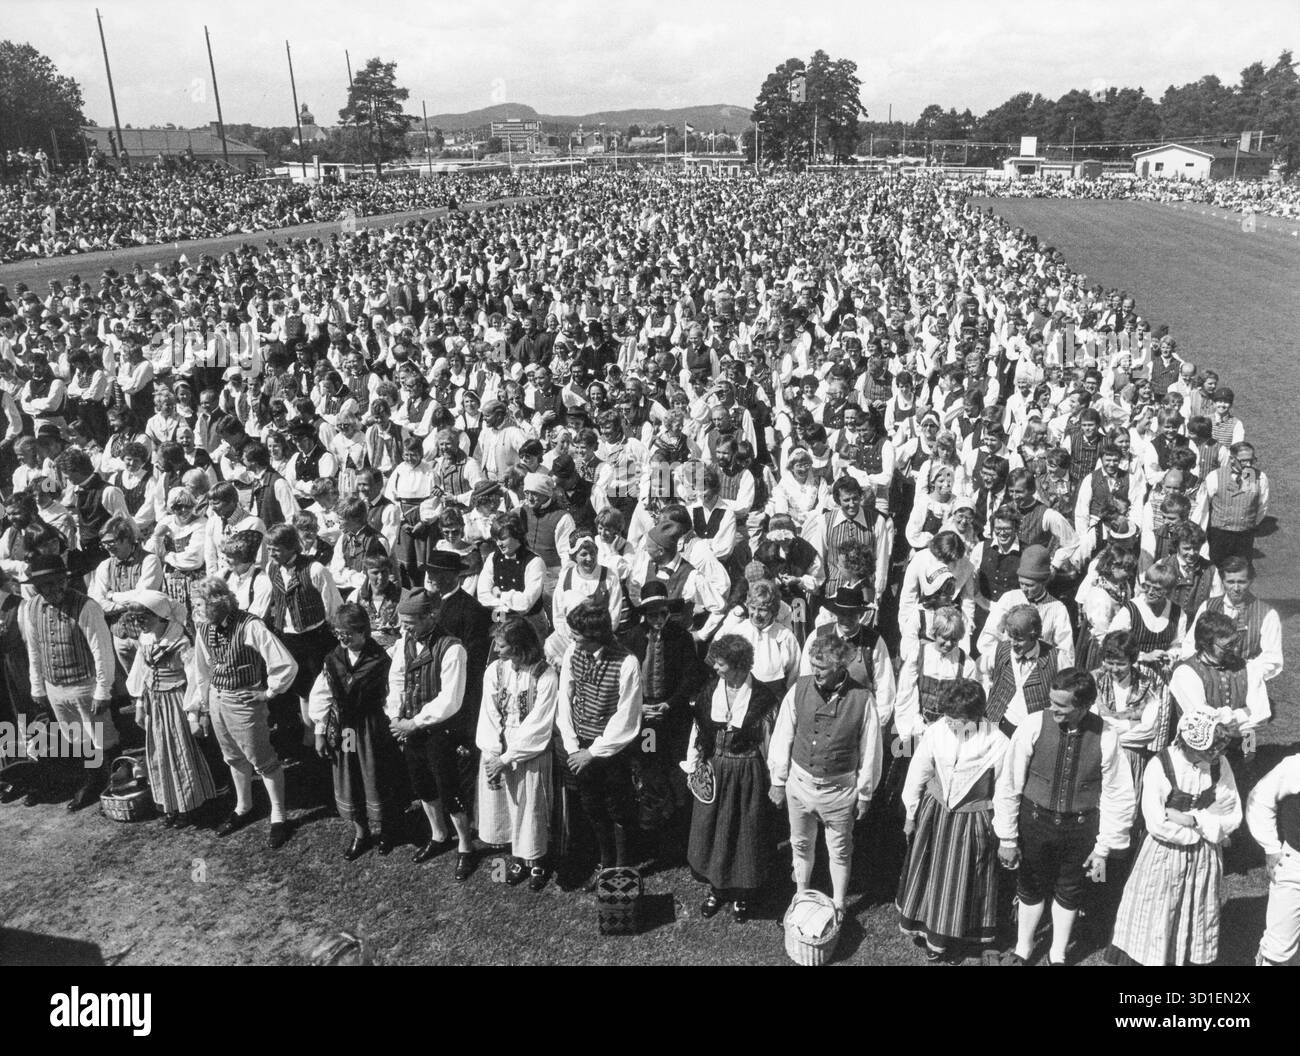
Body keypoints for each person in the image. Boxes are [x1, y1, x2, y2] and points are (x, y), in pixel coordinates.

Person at [993, 668, 1136, 965]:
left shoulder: (1107, 735)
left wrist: (1103, 847)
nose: (1053, 709)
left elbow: (1118, 795)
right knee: (1030, 885)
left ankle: (1057, 954)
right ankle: (1024, 947)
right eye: (1051, 702)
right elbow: (1009, 783)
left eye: (1061, 706)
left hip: (1080, 829)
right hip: (1034, 824)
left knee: (1069, 890)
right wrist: (1007, 837)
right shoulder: (1032, 725)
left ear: (1083, 707)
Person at [1106, 709, 1240, 965]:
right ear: (1188, 743)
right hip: (1164, 853)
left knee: (1197, 908)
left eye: (1216, 750)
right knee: (1157, 909)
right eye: (1207, 751)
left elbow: (1231, 811)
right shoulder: (1161, 765)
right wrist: (1204, 820)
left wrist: (1192, 819)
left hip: (1206, 854)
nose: (1214, 756)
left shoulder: (1219, 764)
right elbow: (1158, 822)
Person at [768, 631, 883, 915]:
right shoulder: (799, 688)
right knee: (801, 843)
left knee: (840, 849)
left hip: (839, 790)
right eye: (813, 665)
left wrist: (865, 793)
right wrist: (778, 781)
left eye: (822, 667)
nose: (815, 672)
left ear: (840, 667)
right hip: (800, 784)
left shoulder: (863, 698)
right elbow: (782, 735)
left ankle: (840, 903)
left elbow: (871, 749)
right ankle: (801, 896)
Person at [897, 678, 1009, 963]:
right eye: (948, 719)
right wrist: (911, 813)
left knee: (960, 880)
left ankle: (947, 937)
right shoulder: (937, 731)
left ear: (977, 716)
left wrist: (1005, 835)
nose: (951, 725)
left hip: (971, 821)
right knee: (930, 872)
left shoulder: (997, 742)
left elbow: (1006, 791)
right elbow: (919, 769)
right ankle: (924, 927)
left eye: (957, 721)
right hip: (935, 815)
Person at [192, 575, 299, 849]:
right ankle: (244, 806)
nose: (196, 609)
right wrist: (203, 705)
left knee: (262, 760)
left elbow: (284, 664)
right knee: (232, 756)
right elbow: (203, 670)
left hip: (244, 701)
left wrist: (268, 693)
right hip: (217, 698)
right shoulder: (203, 627)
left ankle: (278, 815)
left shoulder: (250, 625)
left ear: (216, 603)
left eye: (200, 604)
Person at [682, 634, 779, 922]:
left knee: (744, 832)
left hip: (747, 771)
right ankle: (717, 889)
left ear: (738, 665)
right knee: (711, 829)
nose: (715, 668)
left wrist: (776, 781)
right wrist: (693, 766)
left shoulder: (763, 698)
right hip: (715, 769)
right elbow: (698, 732)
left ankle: (741, 895)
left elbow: (770, 743)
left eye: (721, 663)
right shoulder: (710, 690)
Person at [386, 588, 475, 881]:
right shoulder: (404, 644)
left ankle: (464, 845)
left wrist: (415, 723)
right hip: (411, 728)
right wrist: (396, 717)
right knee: (422, 783)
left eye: (409, 622)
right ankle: (438, 836)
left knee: (448, 787)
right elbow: (397, 680)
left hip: (441, 730)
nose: (404, 628)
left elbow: (450, 700)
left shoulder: (452, 648)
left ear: (429, 617)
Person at [555, 598, 642, 888]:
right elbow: (565, 699)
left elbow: (626, 719)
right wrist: (573, 747)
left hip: (611, 749)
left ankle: (622, 865)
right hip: (578, 745)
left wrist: (592, 753)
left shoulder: (627, 662)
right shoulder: (572, 652)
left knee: (618, 807)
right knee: (592, 806)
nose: (572, 638)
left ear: (595, 635)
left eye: (577, 634)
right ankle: (605, 863)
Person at [21, 554, 118, 811]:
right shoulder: (30, 608)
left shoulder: (87, 607)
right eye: (48, 585)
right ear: (38, 587)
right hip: (56, 688)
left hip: (85, 685)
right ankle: (94, 781)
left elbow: (102, 651)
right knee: (78, 739)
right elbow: (34, 650)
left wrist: (102, 690)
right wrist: (37, 687)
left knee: (101, 739)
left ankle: (114, 783)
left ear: (66, 580)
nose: (56, 589)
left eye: (59, 582)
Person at [307, 602, 403, 861]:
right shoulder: (333, 659)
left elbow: (390, 696)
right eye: (338, 634)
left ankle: (386, 831)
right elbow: (322, 696)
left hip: (372, 729)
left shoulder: (380, 660)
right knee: (350, 776)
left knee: (376, 776)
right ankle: (361, 833)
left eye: (348, 633)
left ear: (363, 631)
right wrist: (320, 731)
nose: (343, 639)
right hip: (346, 731)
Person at [475, 617, 559, 892]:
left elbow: (539, 724)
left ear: (519, 647)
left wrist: (508, 757)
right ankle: (518, 857)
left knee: (530, 806)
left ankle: (537, 860)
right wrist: (492, 753)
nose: (496, 650)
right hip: (498, 745)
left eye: (502, 646)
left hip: (528, 750)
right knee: (508, 806)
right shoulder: (494, 672)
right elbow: (488, 712)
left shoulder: (544, 675)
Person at [124, 588, 216, 826]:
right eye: (135, 619)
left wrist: (195, 711)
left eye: (144, 618)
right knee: (159, 751)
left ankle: (189, 804)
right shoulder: (145, 640)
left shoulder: (180, 641)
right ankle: (170, 804)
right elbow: (144, 674)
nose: (139, 624)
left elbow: (194, 677)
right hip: (155, 700)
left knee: (180, 750)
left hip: (175, 700)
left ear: (160, 616)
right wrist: (140, 704)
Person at [1246, 752, 1300, 965]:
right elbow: (1259, 798)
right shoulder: (1295, 766)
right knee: (1279, 948)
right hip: (1295, 865)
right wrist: (1270, 846)